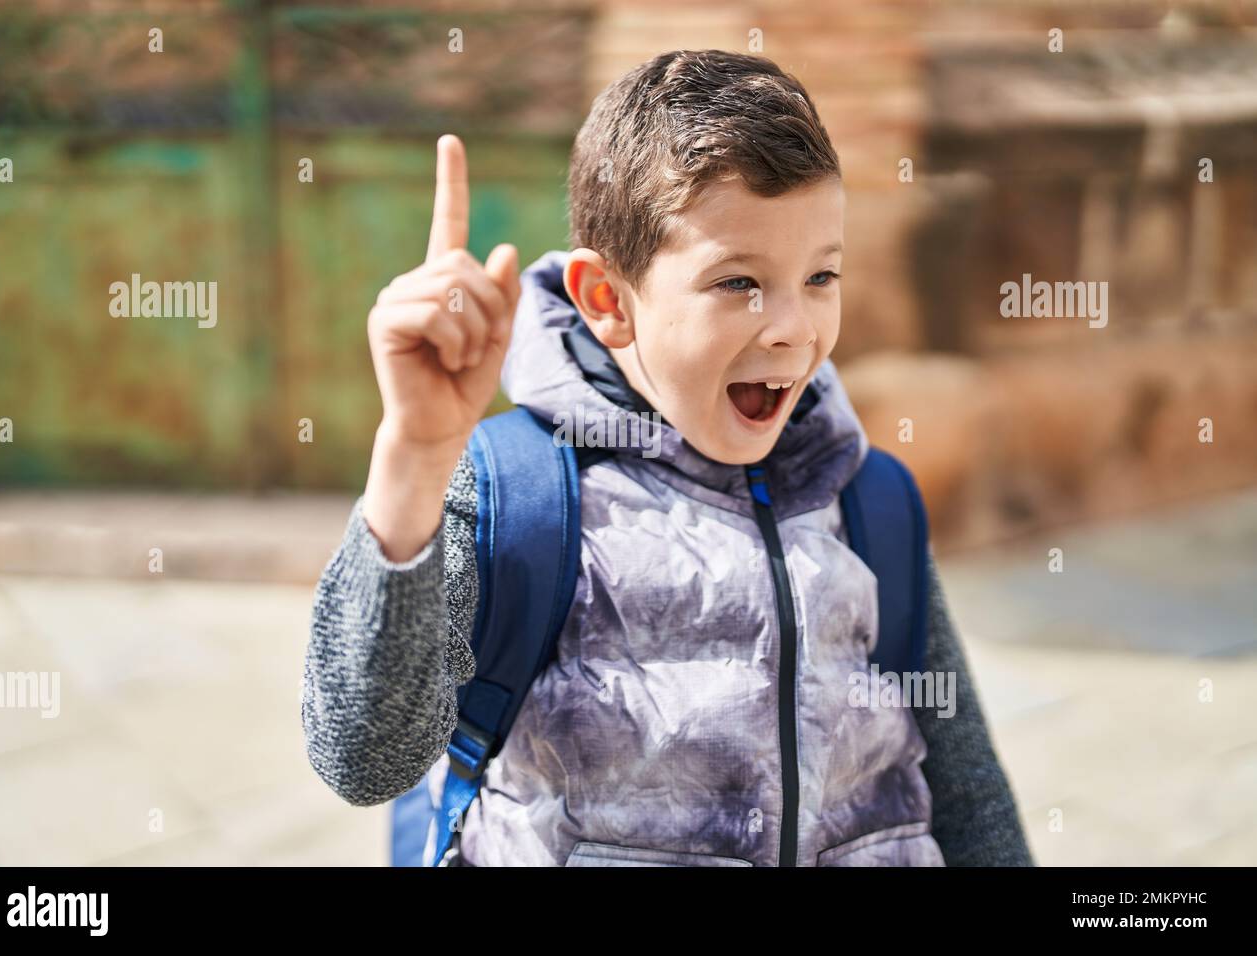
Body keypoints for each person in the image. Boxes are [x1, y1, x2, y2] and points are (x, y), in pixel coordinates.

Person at [302, 49, 1033, 867]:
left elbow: (967, 796)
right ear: (608, 301)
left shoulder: (869, 498)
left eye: (821, 275)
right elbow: (361, 758)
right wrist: (414, 459)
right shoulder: (517, 494)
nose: (793, 327)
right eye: (737, 283)